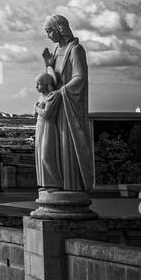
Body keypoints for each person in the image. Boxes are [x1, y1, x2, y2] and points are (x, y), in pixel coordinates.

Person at [40, 14, 93, 191]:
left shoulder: (76, 50)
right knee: (50, 149)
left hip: (67, 106)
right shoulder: (56, 51)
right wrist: (48, 64)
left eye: (49, 31)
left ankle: (70, 186)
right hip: (55, 105)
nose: (48, 36)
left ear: (59, 29)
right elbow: (53, 80)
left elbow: (80, 78)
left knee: (66, 145)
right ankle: (55, 183)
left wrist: (61, 92)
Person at [33, 72, 61, 190]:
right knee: (40, 156)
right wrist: (37, 109)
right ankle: (46, 183)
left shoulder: (54, 96)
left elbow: (47, 114)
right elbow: (36, 115)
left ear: (47, 84)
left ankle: (56, 183)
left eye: (39, 84)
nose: (36, 86)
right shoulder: (41, 97)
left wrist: (36, 108)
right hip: (40, 126)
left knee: (46, 156)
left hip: (48, 127)